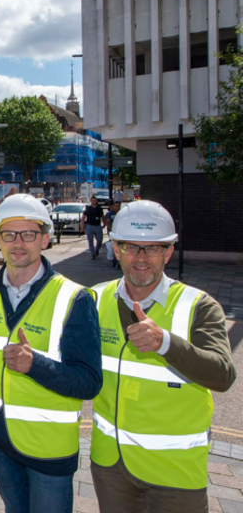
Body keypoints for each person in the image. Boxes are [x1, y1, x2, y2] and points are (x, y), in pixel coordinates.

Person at [89, 201, 236, 513]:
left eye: (153, 248)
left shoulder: (200, 306)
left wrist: (166, 344)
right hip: (110, 465)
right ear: (116, 249)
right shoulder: (94, 299)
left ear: (168, 253)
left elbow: (223, 375)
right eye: (131, 247)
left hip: (175, 472)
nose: (141, 258)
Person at [0, 193, 102, 513]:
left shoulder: (75, 298)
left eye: (29, 234)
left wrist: (34, 365)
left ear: (45, 239)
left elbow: (89, 381)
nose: (19, 243)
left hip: (48, 447)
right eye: (9, 234)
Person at [82, 195, 105, 259]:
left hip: (97, 226)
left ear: (96, 201)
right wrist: (82, 226)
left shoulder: (99, 208)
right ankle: (93, 253)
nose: (93, 201)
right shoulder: (88, 208)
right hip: (89, 226)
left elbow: (102, 216)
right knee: (90, 241)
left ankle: (97, 249)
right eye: (92, 200)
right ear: (91, 201)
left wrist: (104, 223)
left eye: (95, 200)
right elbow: (83, 217)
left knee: (100, 240)